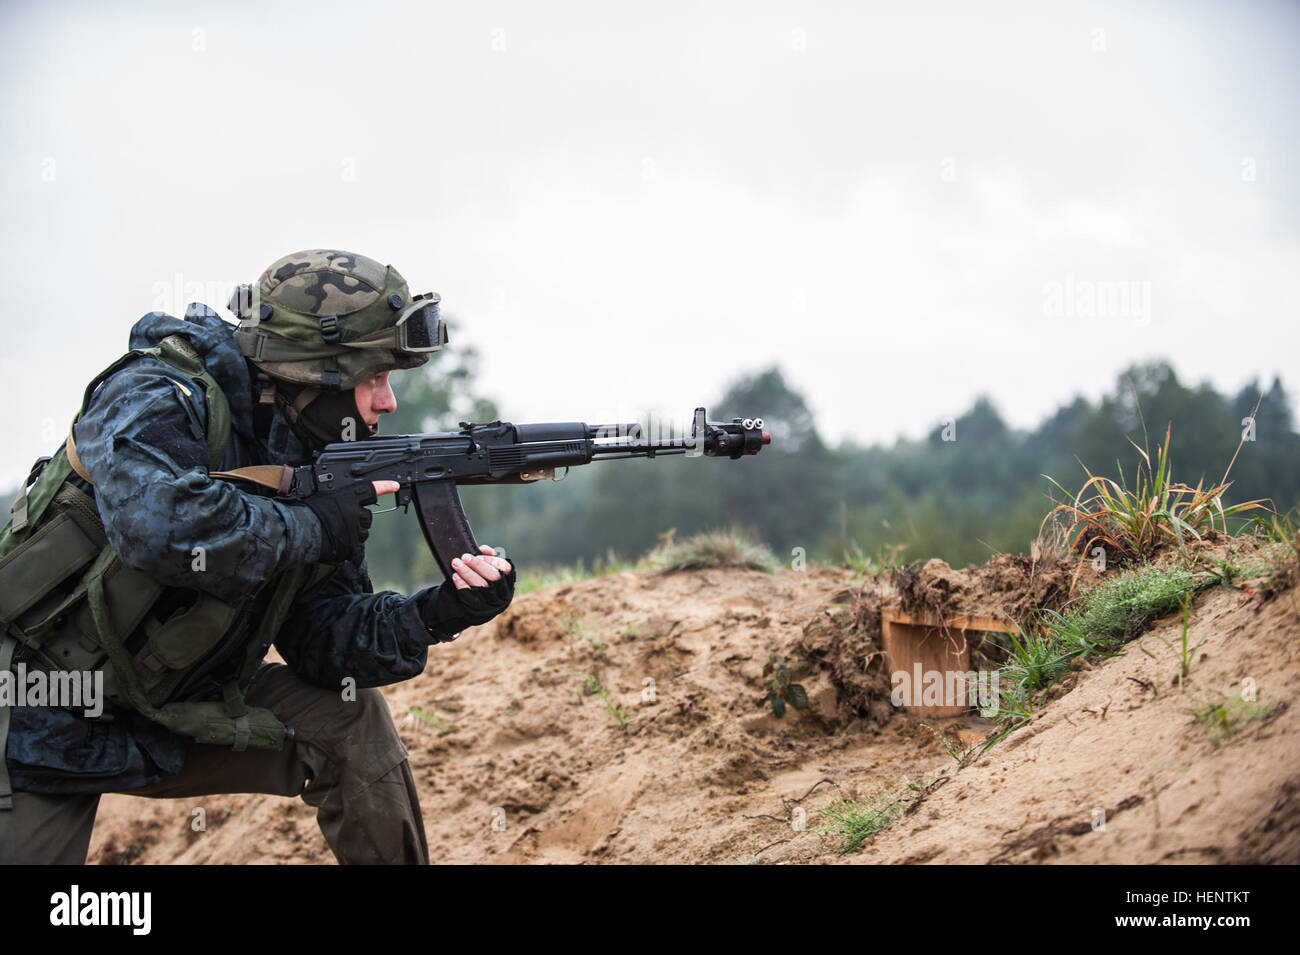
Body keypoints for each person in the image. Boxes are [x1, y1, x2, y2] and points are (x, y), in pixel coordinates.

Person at [0, 249, 514, 865]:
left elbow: (323, 642)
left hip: (179, 702)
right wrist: (311, 527)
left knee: (349, 719)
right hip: (35, 715)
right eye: (372, 378)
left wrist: (437, 611)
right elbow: (160, 528)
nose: (388, 403)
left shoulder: (314, 452)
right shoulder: (156, 393)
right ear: (314, 371)